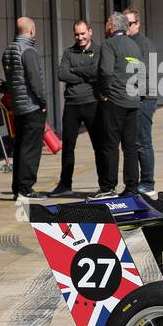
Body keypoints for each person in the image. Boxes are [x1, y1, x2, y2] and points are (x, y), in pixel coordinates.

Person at [50, 20, 105, 196]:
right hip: (72, 105)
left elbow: (96, 72)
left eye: (83, 34)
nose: (80, 37)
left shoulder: (99, 51)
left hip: (92, 103)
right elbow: (61, 74)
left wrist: (75, 70)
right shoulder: (68, 52)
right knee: (67, 147)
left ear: (90, 32)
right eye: (76, 34)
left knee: (99, 145)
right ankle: (65, 184)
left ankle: (104, 185)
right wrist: (85, 73)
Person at [1, 17, 49, 202]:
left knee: (21, 147)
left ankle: (18, 188)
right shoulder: (28, 51)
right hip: (31, 106)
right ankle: (26, 189)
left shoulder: (8, 51)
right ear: (31, 30)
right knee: (31, 149)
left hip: (18, 107)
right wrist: (43, 102)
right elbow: (35, 81)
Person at [96, 10, 143, 197]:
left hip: (115, 101)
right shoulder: (134, 46)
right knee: (130, 146)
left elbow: (105, 72)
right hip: (132, 101)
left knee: (110, 145)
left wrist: (105, 93)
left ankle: (108, 187)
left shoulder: (109, 45)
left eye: (108, 22)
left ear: (113, 26)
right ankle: (132, 187)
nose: (106, 25)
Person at [124, 6, 157, 193]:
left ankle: (147, 182)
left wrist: (137, 95)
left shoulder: (143, 44)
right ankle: (135, 183)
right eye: (124, 24)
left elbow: (146, 72)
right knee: (133, 142)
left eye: (130, 23)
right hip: (134, 98)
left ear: (138, 24)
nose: (127, 27)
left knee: (143, 141)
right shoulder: (128, 44)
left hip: (144, 98)